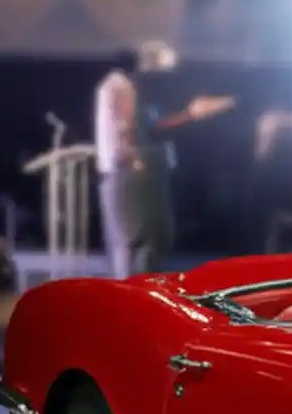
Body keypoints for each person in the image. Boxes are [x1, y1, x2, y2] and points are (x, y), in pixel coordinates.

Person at [94, 42, 234, 278]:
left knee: (143, 245)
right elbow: (139, 130)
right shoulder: (122, 86)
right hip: (135, 177)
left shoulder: (121, 85)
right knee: (141, 246)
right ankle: (134, 306)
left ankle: (134, 303)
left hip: (134, 175)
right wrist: (192, 114)